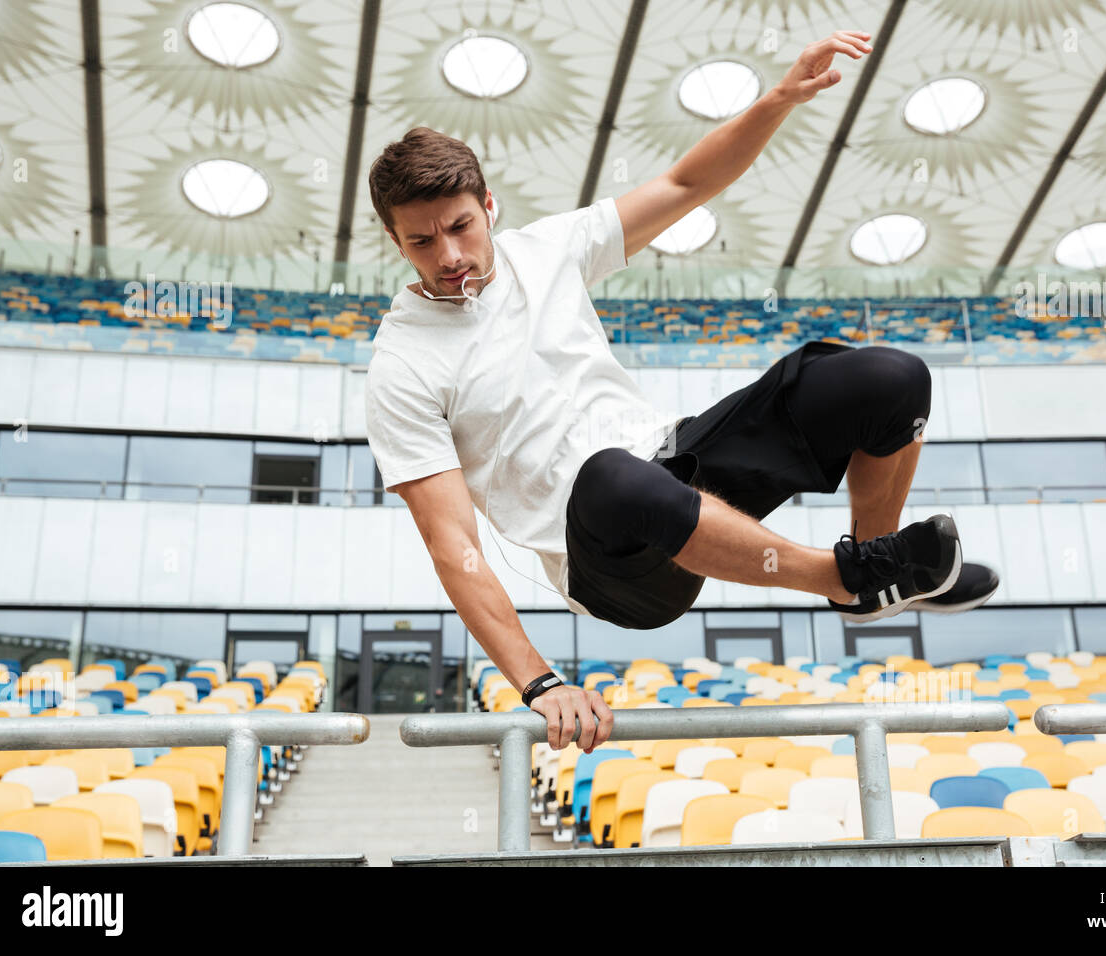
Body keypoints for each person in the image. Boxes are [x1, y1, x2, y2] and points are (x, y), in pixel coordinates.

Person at [364, 30, 999, 755]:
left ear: (489, 206)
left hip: (677, 463)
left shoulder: (546, 250)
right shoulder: (402, 364)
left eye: (459, 228)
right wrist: (540, 682)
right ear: (395, 240)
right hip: (610, 561)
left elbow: (685, 185)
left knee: (888, 379)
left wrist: (780, 98)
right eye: (421, 242)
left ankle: (878, 564)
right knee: (609, 477)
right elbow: (454, 546)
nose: (448, 257)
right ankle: (846, 579)